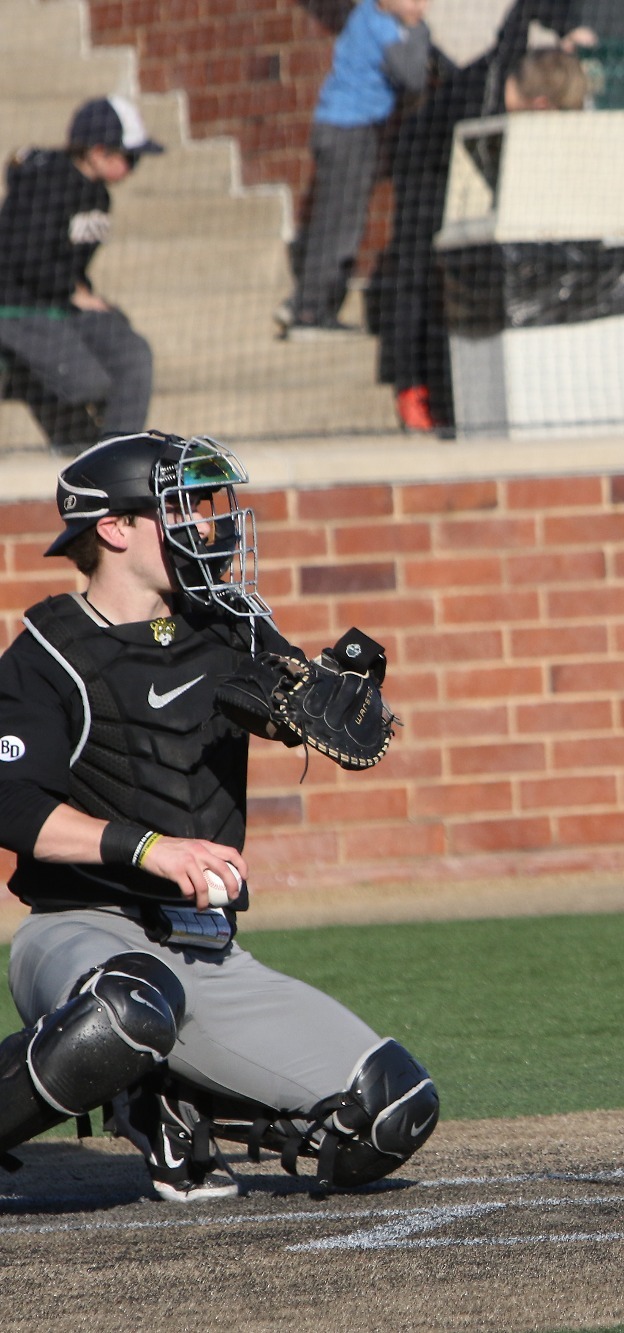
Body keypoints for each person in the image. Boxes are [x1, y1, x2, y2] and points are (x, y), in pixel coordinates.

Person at [0, 432, 437, 1202]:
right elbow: (12, 804)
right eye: (181, 507)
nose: (207, 524)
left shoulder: (230, 628)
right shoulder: (46, 652)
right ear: (114, 527)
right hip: (80, 930)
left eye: (207, 505)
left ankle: (174, 1095)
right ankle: (139, 1076)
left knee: (393, 1108)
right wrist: (153, 850)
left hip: (208, 951)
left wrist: (331, 700)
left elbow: (299, 700)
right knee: (127, 1009)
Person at [378, 44, 590, 431]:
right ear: (541, 105)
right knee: (417, 277)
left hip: (453, 176)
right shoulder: (475, 96)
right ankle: (410, 386)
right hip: (423, 171)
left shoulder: (509, 88)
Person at [0, 97, 160, 451]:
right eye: (128, 157)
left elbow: (70, 261)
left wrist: (83, 293)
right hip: (15, 307)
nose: (132, 168)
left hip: (59, 304)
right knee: (89, 382)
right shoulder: (44, 183)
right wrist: (73, 292)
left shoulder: (99, 196)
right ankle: (17, 375)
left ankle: (116, 456)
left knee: (133, 355)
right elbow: (23, 257)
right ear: (98, 152)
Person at [282, 0, 432, 338]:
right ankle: (309, 311)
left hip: (344, 129)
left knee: (336, 219)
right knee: (340, 224)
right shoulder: (382, 25)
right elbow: (414, 76)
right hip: (348, 132)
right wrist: (419, 32)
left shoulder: (371, 15)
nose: (422, 6)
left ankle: (307, 305)